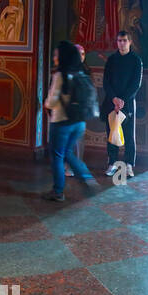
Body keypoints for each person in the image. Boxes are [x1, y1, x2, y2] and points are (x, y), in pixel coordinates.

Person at [46, 40, 99, 202]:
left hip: (62, 122)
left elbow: (52, 102)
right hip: (79, 122)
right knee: (68, 153)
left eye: (56, 55)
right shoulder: (81, 73)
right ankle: (87, 178)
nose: (55, 58)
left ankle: (58, 191)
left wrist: (45, 103)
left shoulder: (60, 75)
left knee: (57, 156)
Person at [100, 27, 143, 178]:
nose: (122, 43)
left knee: (129, 135)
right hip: (111, 102)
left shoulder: (136, 60)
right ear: (116, 42)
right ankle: (112, 163)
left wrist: (122, 100)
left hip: (128, 103)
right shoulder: (111, 60)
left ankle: (129, 165)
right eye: (119, 41)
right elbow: (106, 82)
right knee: (112, 134)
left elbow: (136, 84)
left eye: (125, 41)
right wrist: (114, 99)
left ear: (130, 42)